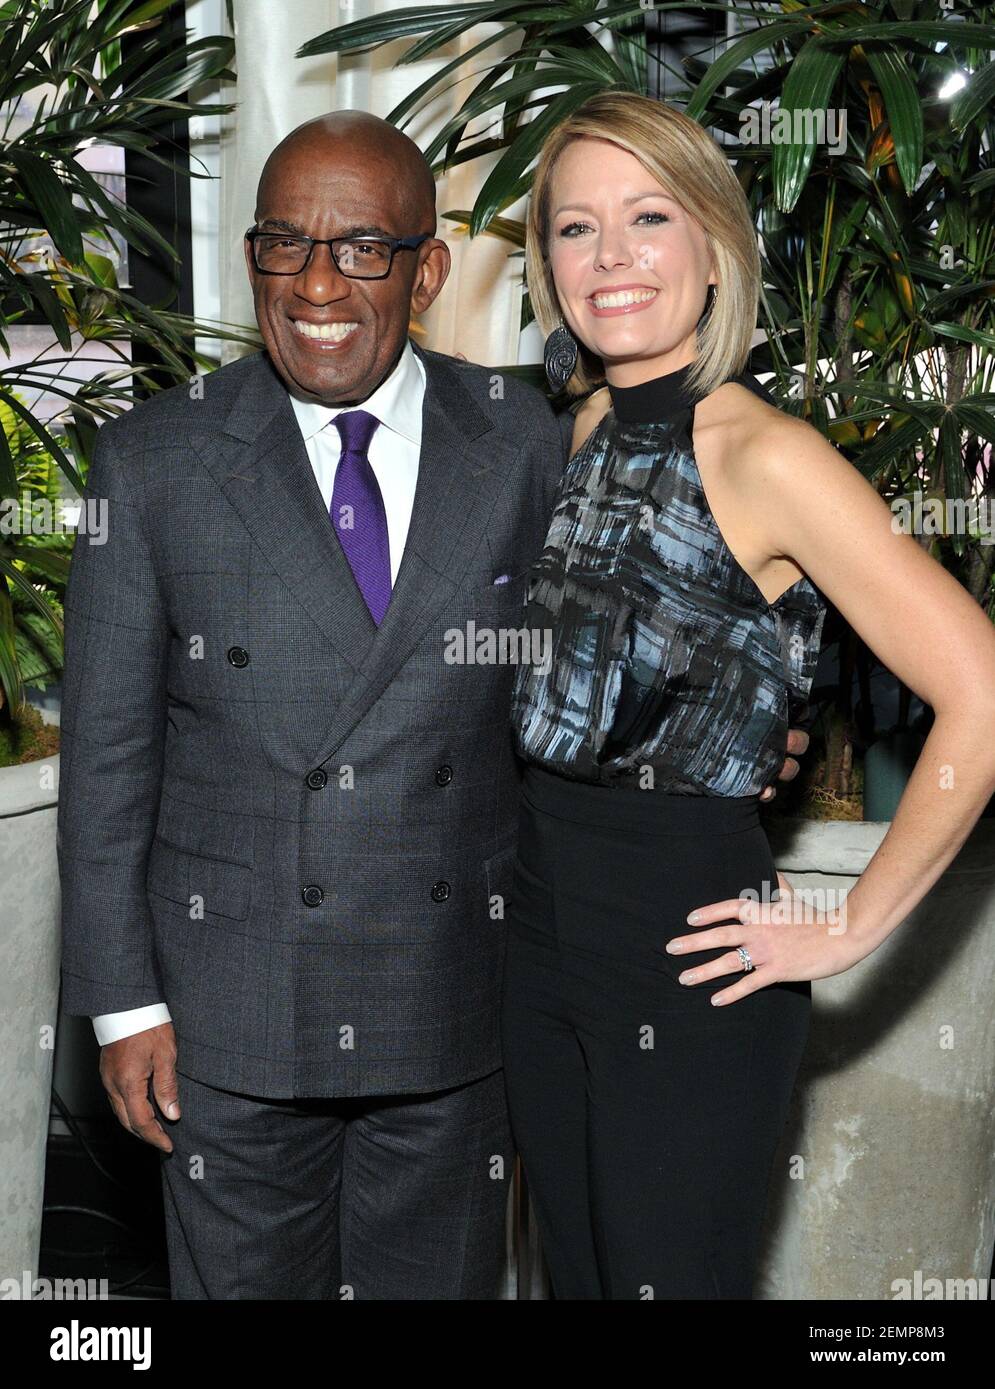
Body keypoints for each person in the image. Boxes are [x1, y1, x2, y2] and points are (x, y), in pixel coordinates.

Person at [57, 109, 806, 1301]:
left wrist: (734, 719)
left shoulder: (525, 438)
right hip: (228, 1023)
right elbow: (103, 768)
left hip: (459, 1011)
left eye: (361, 249)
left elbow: (616, 635)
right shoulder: (153, 462)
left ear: (427, 270)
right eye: (282, 245)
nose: (315, 283)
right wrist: (121, 1007)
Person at [500, 90, 995, 1301]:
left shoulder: (764, 454)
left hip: (686, 946)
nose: (609, 257)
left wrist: (849, 923)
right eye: (574, 228)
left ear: (714, 252)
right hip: (531, 926)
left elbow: (979, 691)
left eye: (647, 217)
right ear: (545, 262)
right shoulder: (566, 435)